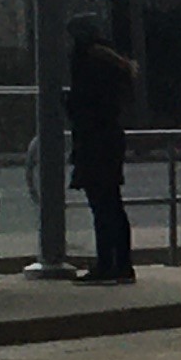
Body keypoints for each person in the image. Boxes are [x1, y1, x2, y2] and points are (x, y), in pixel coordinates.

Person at [65, 14, 138, 283]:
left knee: (101, 206)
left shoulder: (87, 64)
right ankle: (121, 263)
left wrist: (69, 103)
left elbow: (83, 106)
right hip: (109, 139)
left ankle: (107, 263)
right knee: (112, 204)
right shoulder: (111, 63)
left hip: (93, 141)